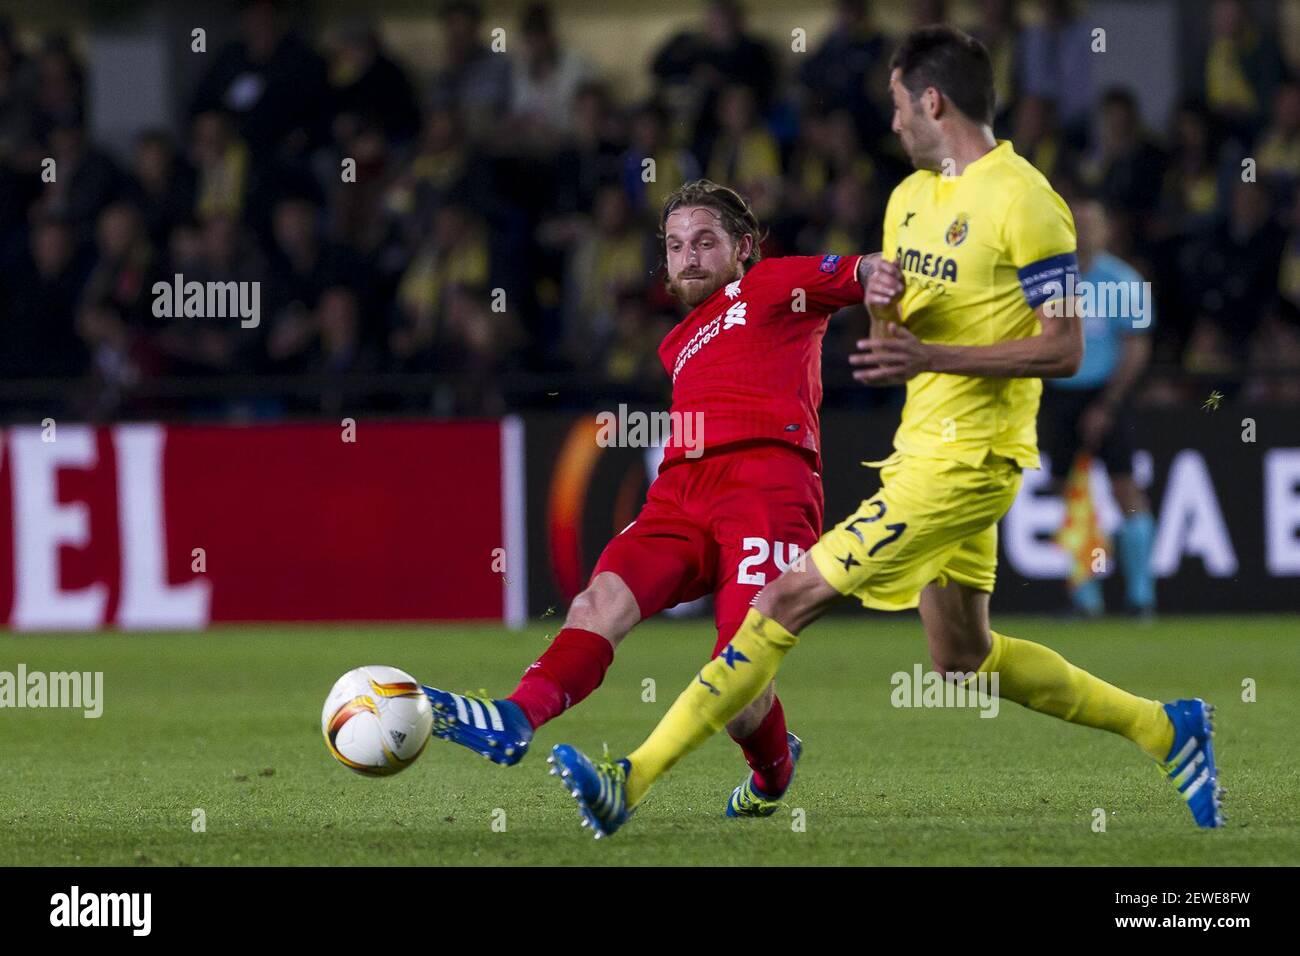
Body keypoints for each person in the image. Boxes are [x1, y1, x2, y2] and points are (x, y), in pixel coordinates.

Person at [550, 26, 1222, 838]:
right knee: (963, 660)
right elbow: (894, 311)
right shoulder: (910, 200)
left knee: (780, 598)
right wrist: (882, 308)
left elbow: (1065, 345)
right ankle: (1165, 727)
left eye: (900, 104)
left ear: (932, 101)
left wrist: (928, 351)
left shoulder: (1026, 201)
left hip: (969, 462)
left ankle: (631, 778)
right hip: (917, 452)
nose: (894, 121)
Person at [421, 179, 882, 817]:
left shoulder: (775, 284)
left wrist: (924, 295)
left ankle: (773, 774)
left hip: (767, 486)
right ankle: (514, 717)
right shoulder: (678, 342)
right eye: (673, 246)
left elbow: (870, 273)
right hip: (679, 493)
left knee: (740, 681)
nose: (687, 256)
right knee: (597, 599)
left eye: (704, 242)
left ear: (743, 247)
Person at [1040, 198, 1156, 618]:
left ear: (1108, 231)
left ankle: (1141, 596)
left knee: (1125, 488)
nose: (1085, 233)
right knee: (1065, 490)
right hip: (1059, 394)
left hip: (1107, 392)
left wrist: (1108, 403)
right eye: (1078, 225)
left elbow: (1137, 347)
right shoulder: (1048, 280)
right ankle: (1086, 597)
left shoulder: (1124, 280)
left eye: (1092, 224)